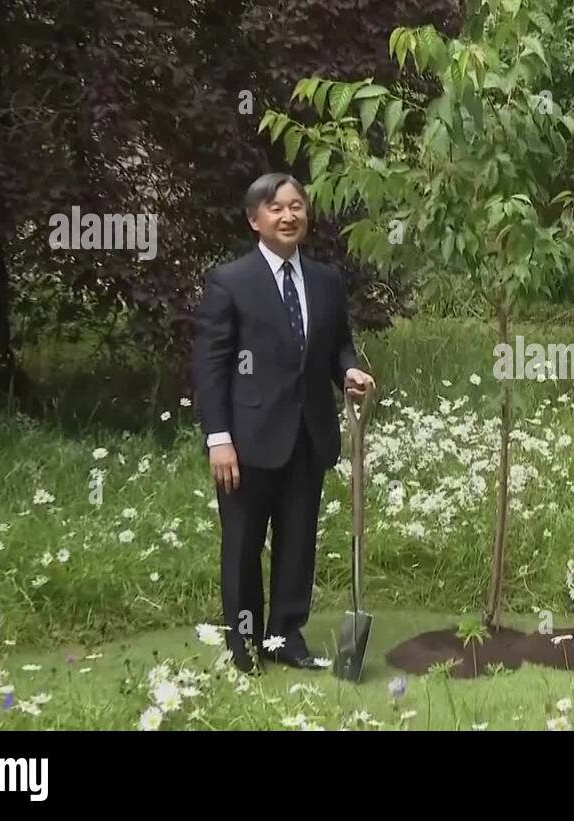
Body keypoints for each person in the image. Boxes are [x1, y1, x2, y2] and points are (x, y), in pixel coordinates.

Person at [193, 172, 375, 672]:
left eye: (296, 206)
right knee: (243, 546)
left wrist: (350, 371)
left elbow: (338, 344)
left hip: (308, 436)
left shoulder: (325, 280)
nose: (289, 215)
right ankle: (245, 646)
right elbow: (211, 367)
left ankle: (286, 639)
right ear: (255, 220)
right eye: (276, 208)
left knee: (297, 546)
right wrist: (219, 439)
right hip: (246, 443)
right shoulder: (229, 282)